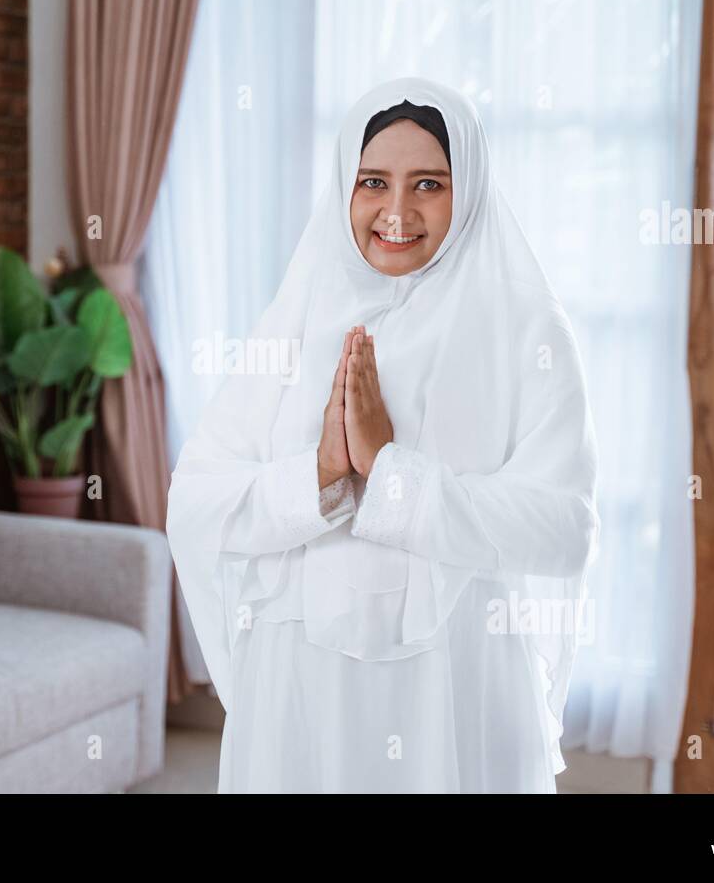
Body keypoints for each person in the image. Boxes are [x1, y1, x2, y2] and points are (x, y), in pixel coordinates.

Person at [166, 77, 600, 793]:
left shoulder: (527, 329)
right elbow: (195, 502)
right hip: (300, 683)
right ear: (345, 185)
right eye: (373, 181)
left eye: (428, 183)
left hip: (459, 680)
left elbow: (564, 530)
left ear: (470, 191)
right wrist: (324, 471)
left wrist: (390, 473)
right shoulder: (295, 321)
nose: (396, 212)